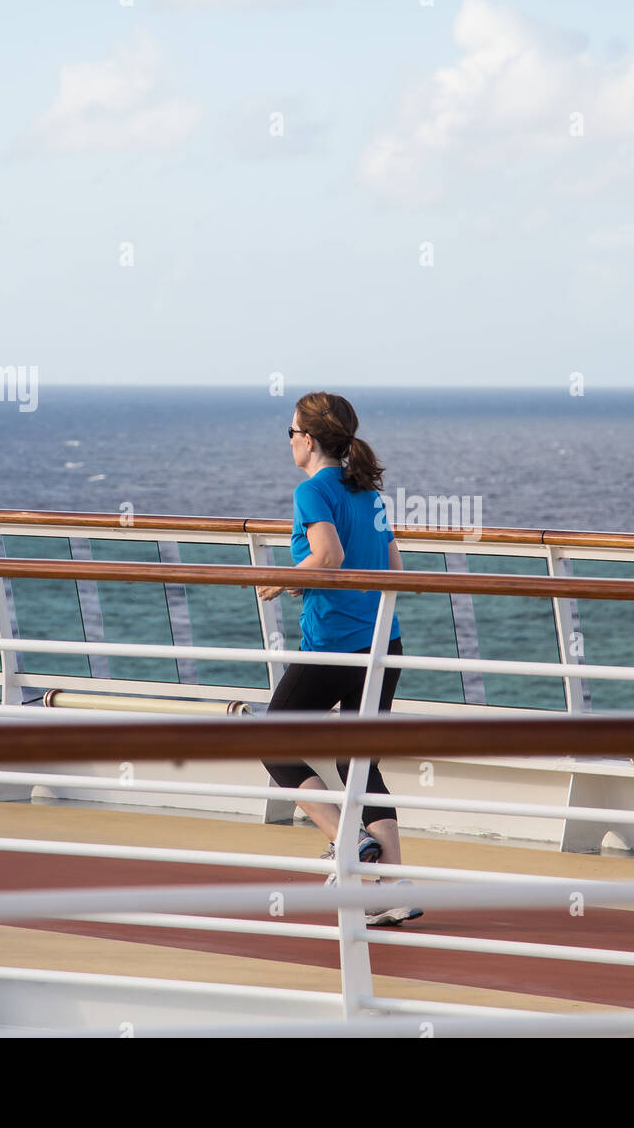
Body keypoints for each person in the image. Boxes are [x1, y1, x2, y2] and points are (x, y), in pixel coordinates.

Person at [255, 391, 422, 926]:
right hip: (383, 640)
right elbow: (392, 567)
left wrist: (282, 580)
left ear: (306, 440)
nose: (289, 441)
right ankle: (395, 887)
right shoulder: (366, 491)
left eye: (290, 432)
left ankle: (349, 842)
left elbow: (330, 557)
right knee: (357, 760)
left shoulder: (313, 491)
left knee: (272, 740)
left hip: (335, 647)